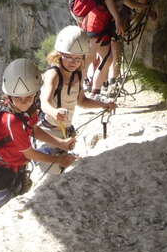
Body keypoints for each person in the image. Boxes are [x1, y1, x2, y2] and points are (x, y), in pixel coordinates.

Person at [0, 58, 78, 217]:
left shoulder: (28, 110)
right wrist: (59, 160)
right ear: (9, 97)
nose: (24, 103)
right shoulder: (11, 120)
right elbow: (30, 154)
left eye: (28, 98)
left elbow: (33, 130)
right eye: (18, 99)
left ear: (35, 94)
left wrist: (62, 143)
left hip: (13, 167)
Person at [37, 26, 117, 176]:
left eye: (78, 58)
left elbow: (82, 101)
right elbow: (44, 102)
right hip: (49, 131)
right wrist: (55, 111)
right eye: (69, 57)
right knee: (53, 173)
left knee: (65, 171)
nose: (73, 62)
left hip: (65, 131)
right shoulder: (53, 75)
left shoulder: (78, 75)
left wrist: (103, 105)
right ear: (60, 55)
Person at [85, 0, 152, 97]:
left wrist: (144, 8)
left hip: (95, 16)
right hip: (103, 19)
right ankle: (99, 86)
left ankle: (94, 88)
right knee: (104, 55)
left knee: (100, 56)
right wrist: (118, 20)